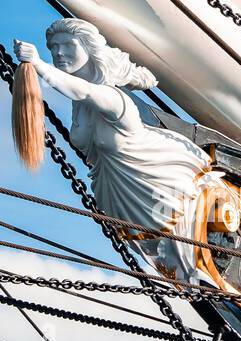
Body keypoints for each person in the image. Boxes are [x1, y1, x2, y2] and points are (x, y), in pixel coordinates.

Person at [14, 18, 210, 277]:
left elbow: (84, 91)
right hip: (119, 195)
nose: (59, 52)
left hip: (158, 182)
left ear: (90, 49)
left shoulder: (113, 98)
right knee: (169, 263)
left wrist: (40, 65)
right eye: (53, 47)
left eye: (68, 45)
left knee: (188, 258)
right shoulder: (80, 109)